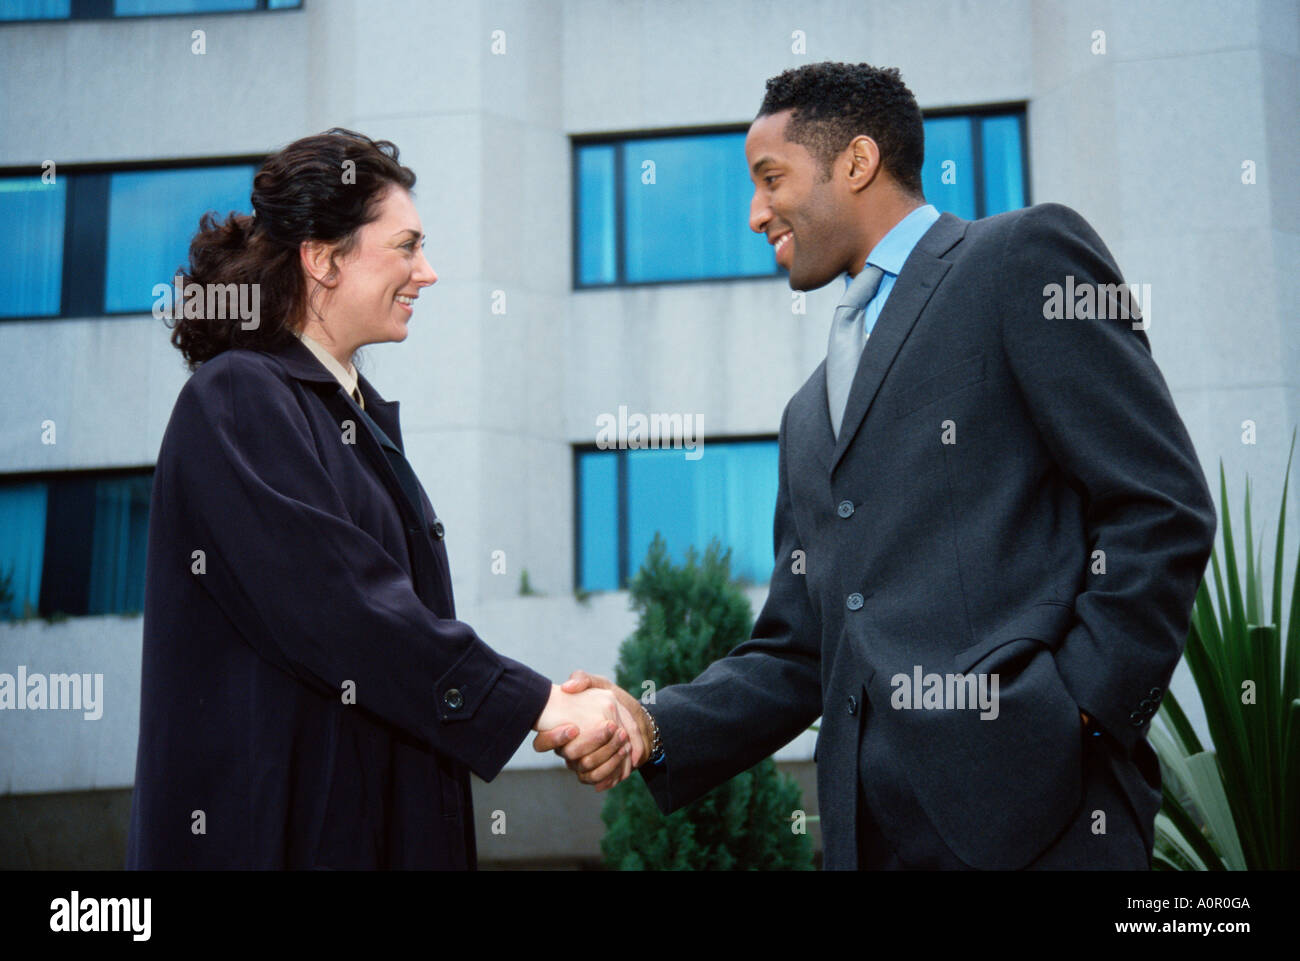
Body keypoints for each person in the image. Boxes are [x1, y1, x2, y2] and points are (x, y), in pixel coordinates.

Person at [538, 62, 1217, 870]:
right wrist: (651, 723)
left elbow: (1160, 505)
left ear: (856, 163)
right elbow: (800, 649)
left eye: (771, 178)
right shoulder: (806, 412)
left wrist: (1072, 717)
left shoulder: (1019, 258)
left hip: (1049, 824)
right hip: (870, 841)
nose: (755, 213)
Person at [125, 128, 638, 870]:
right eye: (406, 246)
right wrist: (539, 704)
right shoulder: (237, 397)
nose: (427, 272)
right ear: (323, 258)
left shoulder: (340, 415)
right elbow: (339, 604)